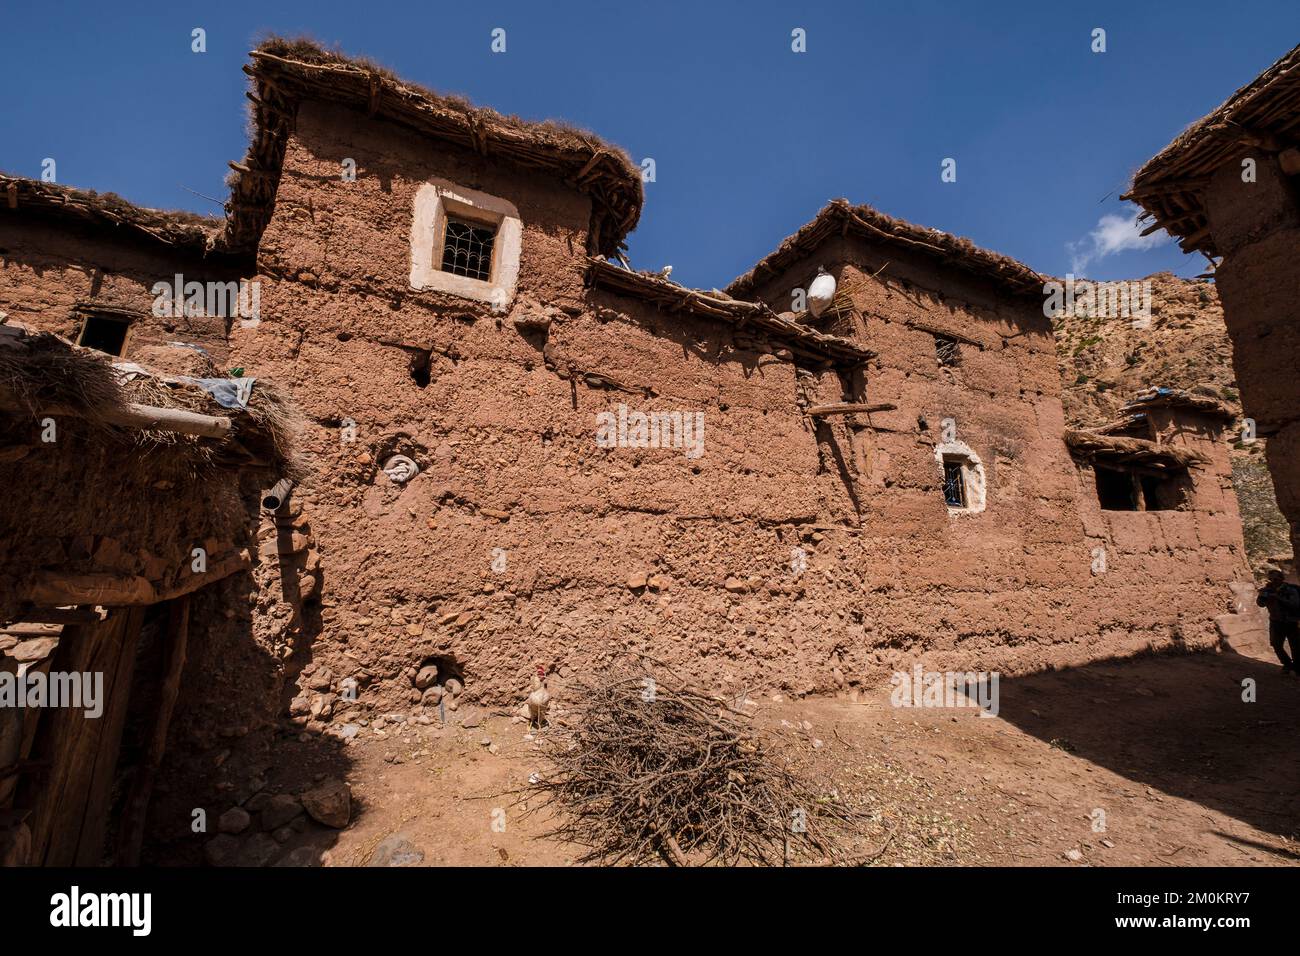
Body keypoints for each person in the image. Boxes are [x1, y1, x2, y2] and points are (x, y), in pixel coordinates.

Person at [1257, 568, 1300, 675]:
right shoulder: (1268, 590)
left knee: (1295, 647)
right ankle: (1287, 664)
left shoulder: (1290, 590)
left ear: (1281, 579)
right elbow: (1261, 604)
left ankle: (1298, 668)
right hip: (1276, 622)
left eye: (1275, 579)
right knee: (1275, 644)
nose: (1273, 581)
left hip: (1291, 622)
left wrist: (1278, 598)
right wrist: (1262, 597)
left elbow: (1295, 604)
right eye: (1271, 579)